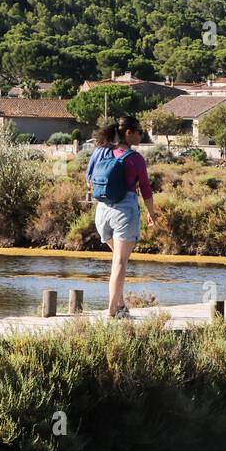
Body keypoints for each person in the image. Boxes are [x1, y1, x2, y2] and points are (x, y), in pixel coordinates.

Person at [85, 115, 157, 318]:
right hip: (124, 212)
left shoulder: (100, 152)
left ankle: (121, 304)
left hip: (101, 212)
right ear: (128, 133)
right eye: (139, 131)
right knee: (119, 262)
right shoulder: (135, 159)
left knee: (118, 259)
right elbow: (145, 189)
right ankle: (112, 309)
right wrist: (151, 214)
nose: (142, 135)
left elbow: (89, 182)